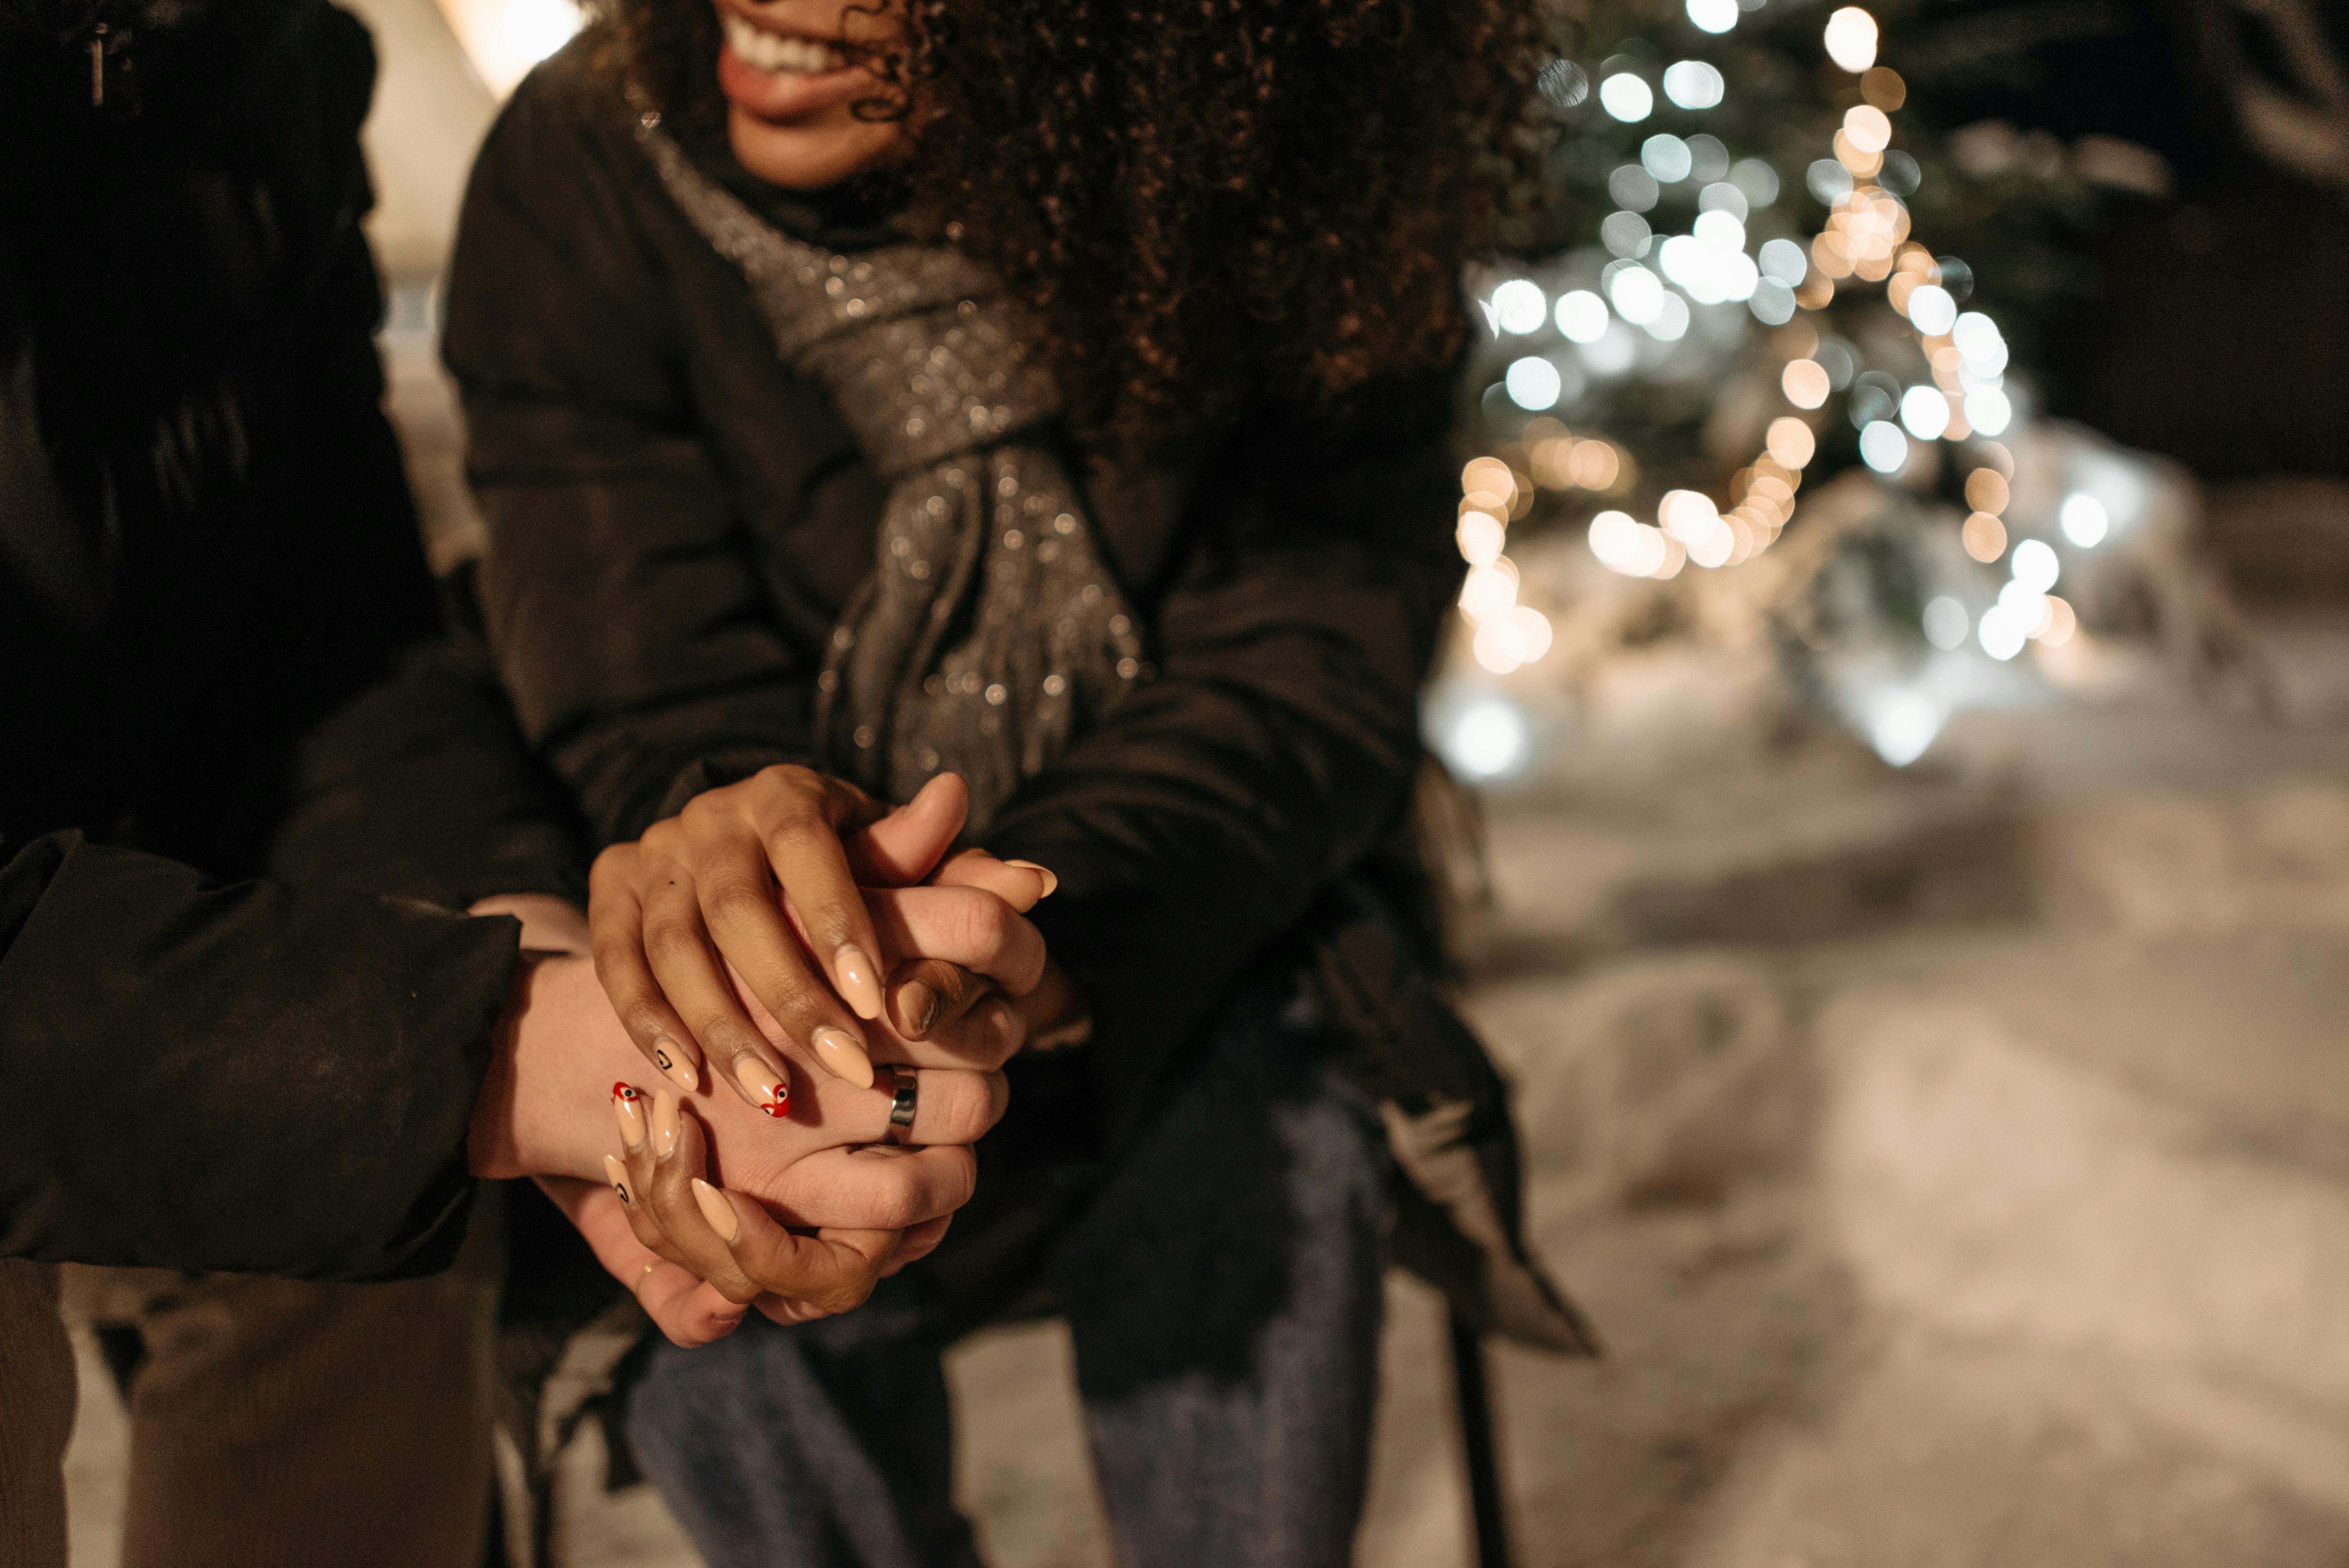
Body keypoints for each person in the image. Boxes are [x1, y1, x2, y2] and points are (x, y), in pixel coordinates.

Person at [444, 0, 1586, 1562]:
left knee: (1263, 1157)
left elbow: (1302, 680)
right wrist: (748, 871)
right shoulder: (586, 163)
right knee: (705, 1214)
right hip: (785, 994)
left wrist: (1028, 944)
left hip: (1176, 931)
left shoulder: (1293, 165)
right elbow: (631, 669)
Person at [0, 6, 1013, 1564]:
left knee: (371, 1243)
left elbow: (331, 652)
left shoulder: (247, 63)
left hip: (130, 958)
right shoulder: (587, 165)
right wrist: (509, 1049)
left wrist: (549, 955)